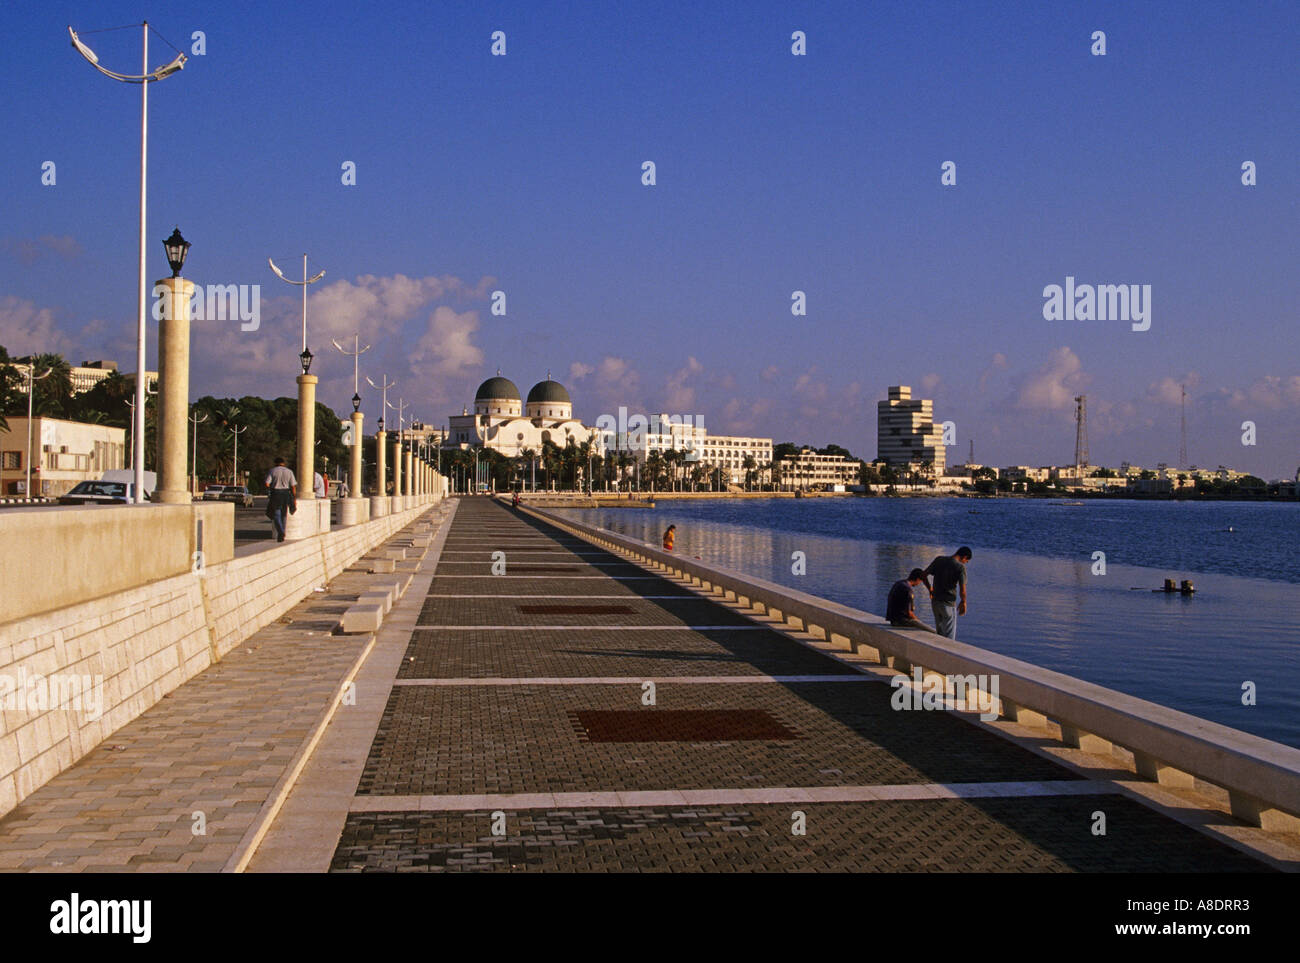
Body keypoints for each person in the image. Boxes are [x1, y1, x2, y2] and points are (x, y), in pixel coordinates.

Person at [922, 546, 972, 639]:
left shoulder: (939, 560)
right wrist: (963, 602)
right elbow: (962, 589)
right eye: (967, 560)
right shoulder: (960, 567)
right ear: (964, 557)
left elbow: (923, 575)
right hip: (948, 604)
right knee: (949, 638)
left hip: (935, 602)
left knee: (939, 634)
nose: (966, 562)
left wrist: (930, 589)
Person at [264, 457, 297, 542]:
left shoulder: (272, 471)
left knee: (276, 514)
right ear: (283, 463)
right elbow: (293, 486)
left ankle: (281, 532)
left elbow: (267, 483)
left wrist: (271, 488)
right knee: (284, 514)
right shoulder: (289, 472)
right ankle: (282, 533)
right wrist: (294, 498)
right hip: (286, 493)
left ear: (275, 463)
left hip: (276, 494)